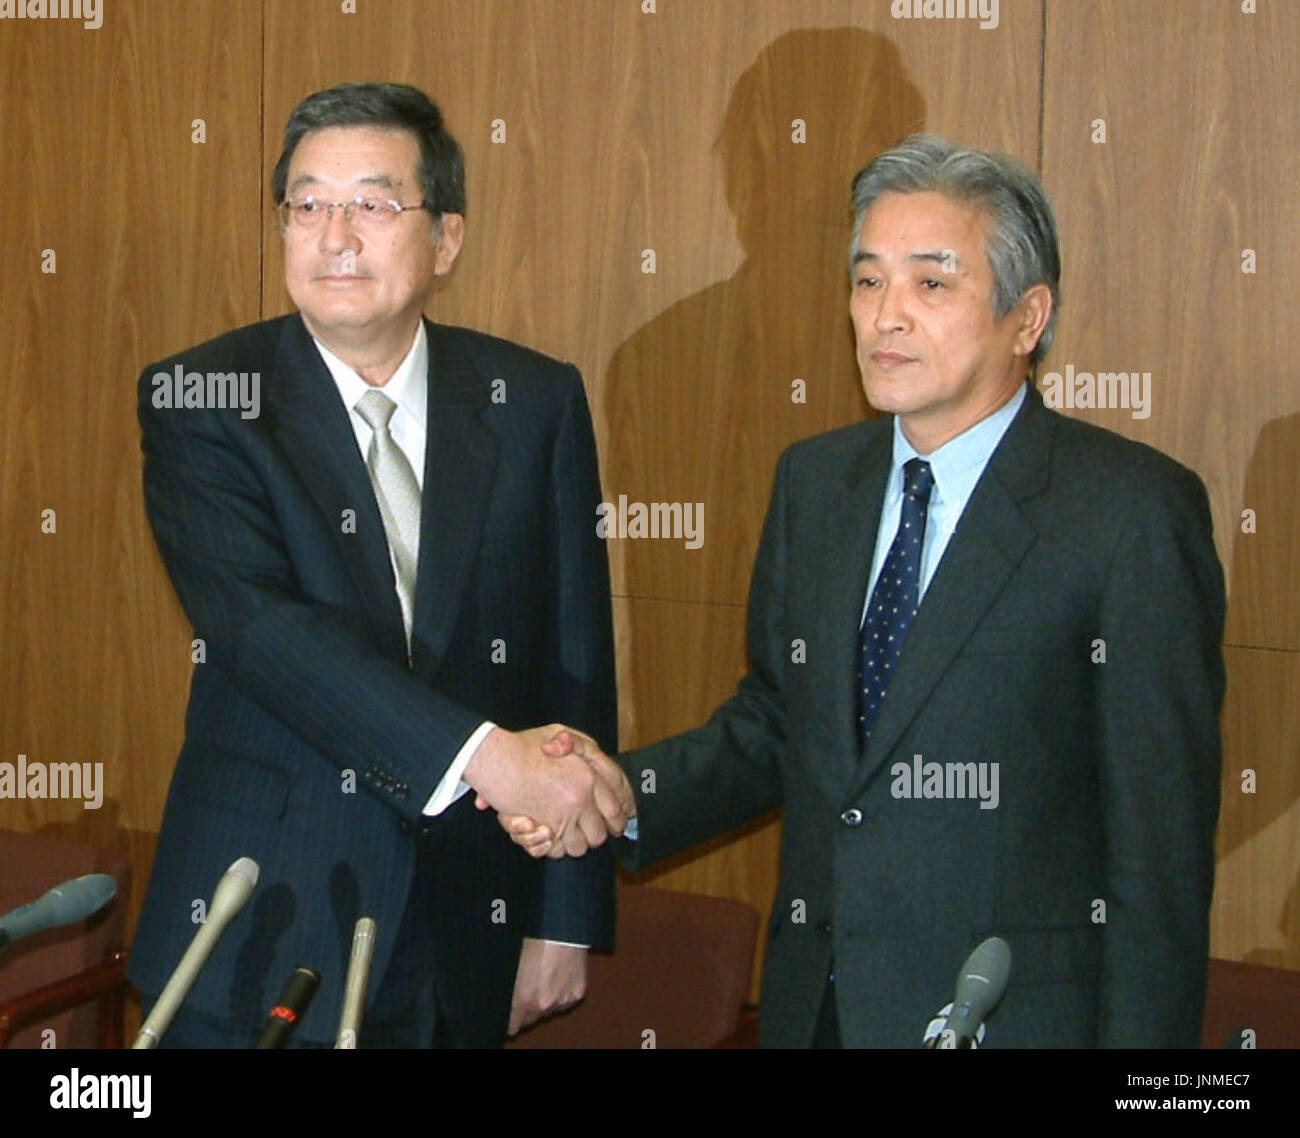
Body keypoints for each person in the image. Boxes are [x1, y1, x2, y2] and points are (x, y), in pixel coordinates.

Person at [504, 135, 1226, 1048]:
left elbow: (1157, 856)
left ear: (1027, 316)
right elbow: (780, 723)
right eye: (867, 280)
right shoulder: (816, 482)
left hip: (1011, 1017)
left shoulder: (1128, 512)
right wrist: (617, 792)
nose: (886, 316)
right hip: (818, 1010)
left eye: (931, 284)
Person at [128, 82, 629, 1048]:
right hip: (261, 912)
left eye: (373, 203)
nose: (335, 235)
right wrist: (492, 759)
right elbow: (265, 635)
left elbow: (574, 663)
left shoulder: (533, 400)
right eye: (307, 205)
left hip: (466, 925)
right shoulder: (202, 398)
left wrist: (563, 913)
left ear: (445, 239)